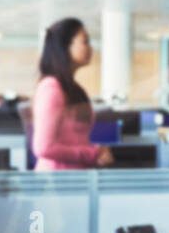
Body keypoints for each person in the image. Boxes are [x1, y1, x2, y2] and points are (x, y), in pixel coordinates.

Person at [32, 17, 113, 171]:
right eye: (85, 41)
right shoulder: (51, 88)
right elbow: (43, 148)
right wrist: (93, 154)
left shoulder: (71, 88)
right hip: (56, 183)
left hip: (74, 180)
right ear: (65, 46)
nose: (91, 48)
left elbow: (75, 140)